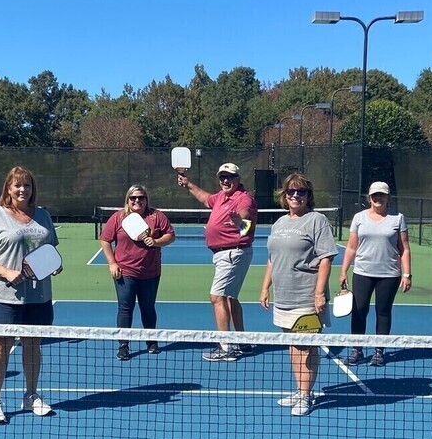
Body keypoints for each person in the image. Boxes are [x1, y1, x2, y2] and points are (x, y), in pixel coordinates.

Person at [0, 166, 60, 425]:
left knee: (32, 344)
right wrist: (6, 272)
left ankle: (31, 395)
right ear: (9, 189)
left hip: (39, 296)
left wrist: (53, 265)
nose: (23, 189)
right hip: (4, 296)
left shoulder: (43, 216)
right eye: (17, 185)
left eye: (27, 185)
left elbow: (50, 251)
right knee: (1, 346)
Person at [260, 173, 337, 417]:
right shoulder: (279, 223)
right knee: (293, 345)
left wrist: (319, 293)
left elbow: (326, 258)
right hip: (283, 296)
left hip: (306, 296)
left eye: (301, 191)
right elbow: (272, 259)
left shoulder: (317, 220)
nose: (295, 195)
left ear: (308, 195)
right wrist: (265, 287)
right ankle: (301, 389)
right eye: (291, 191)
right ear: (284, 195)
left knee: (305, 347)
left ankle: (305, 394)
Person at [177, 162, 258, 362]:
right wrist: (188, 184)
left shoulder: (243, 198)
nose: (225, 180)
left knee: (217, 297)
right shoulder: (221, 196)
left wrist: (239, 222)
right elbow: (206, 198)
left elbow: (245, 220)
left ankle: (225, 347)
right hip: (226, 254)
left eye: (229, 177)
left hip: (233, 253)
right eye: (222, 177)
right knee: (230, 298)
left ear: (238, 179)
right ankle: (242, 342)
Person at [339, 182, 412, 367]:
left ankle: (379, 351)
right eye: (375, 195)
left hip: (389, 274)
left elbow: (404, 248)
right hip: (362, 272)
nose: (378, 198)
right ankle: (357, 349)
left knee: (383, 311)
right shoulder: (359, 218)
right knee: (359, 310)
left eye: (382, 195)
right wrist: (343, 270)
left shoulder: (398, 218)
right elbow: (351, 247)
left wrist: (407, 274)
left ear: (388, 197)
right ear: (369, 198)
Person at [100, 185, 176, 360]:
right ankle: (123, 345)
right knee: (125, 308)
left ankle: (151, 341)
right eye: (133, 198)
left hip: (151, 272)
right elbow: (105, 240)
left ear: (146, 199)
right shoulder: (118, 217)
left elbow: (170, 236)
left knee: (148, 308)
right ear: (128, 200)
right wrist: (112, 263)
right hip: (125, 272)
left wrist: (156, 242)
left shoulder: (157, 216)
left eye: (141, 197)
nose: (137, 201)